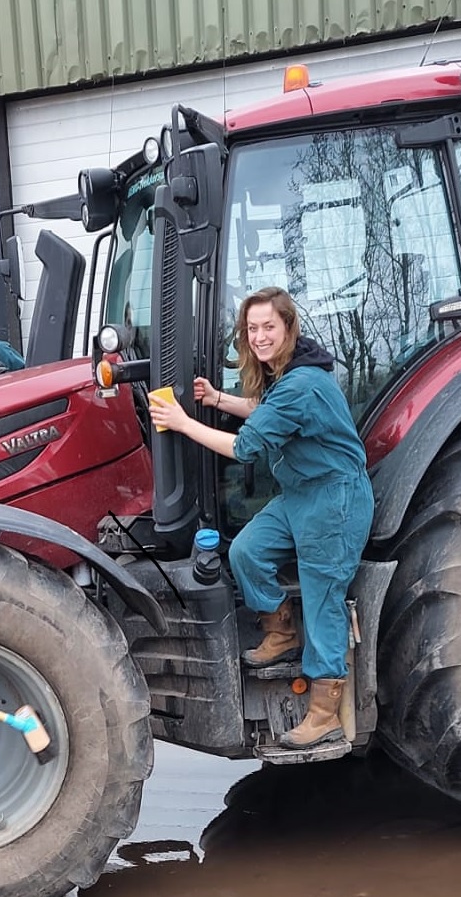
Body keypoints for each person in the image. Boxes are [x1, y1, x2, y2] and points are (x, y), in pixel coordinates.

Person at [147, 287, 373, 750]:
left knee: (323, 598)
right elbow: (266, 413)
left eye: (268, 326)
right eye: (252, 329)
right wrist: (218, 400)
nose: (259, 336)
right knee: (248, 552)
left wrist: (184, 422)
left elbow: (245, 446)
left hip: (334, 499)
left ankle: (324, 712)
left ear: (288, 327)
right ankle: (280, 632)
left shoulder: (301, 384)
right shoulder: (287, 377)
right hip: (299, 494)